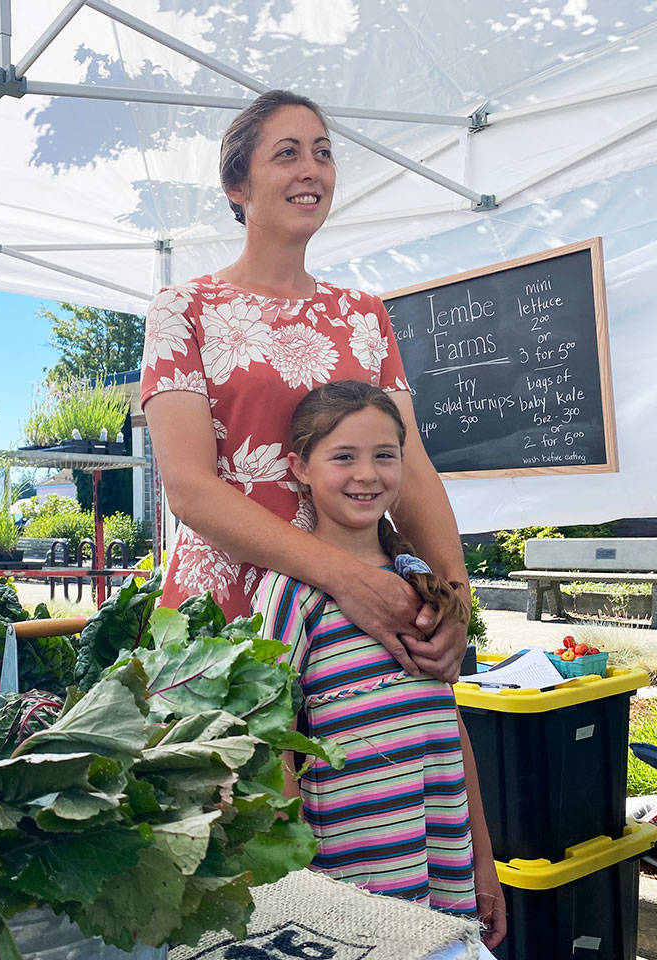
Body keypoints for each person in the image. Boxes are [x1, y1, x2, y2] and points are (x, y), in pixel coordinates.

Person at [141, 89, 470, 680]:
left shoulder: (365, 314)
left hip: (359, 615)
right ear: (237, 188)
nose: (311, 169)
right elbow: (189, 489)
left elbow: (413, 467)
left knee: (383, 765)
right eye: (287, 153)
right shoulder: (183, 309)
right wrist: (347, 579)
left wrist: (455, 599)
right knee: (245, 771)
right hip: (231, 611)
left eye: (322, 152)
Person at [253, 381, 506, 948]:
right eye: (343, 456)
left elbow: (450, 729)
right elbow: (272, 742)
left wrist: (483, 861)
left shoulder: (422, 587)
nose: (366, 474)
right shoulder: (292, 592)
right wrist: (294, 884)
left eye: (384, 455)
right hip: (346, 887)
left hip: (444, 871)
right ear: (300, 467)